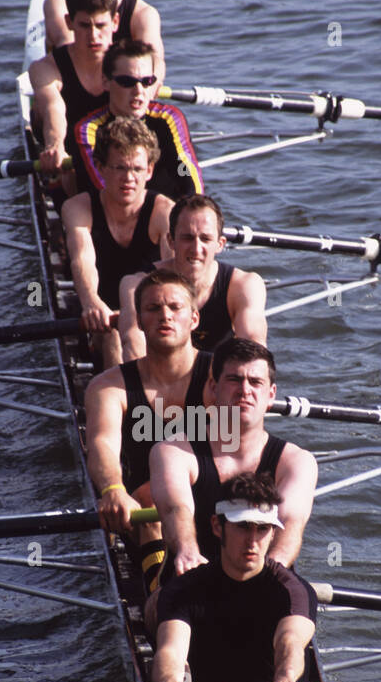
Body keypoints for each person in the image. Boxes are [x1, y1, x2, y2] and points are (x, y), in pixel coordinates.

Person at [150, 474, 317, 682]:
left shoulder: (291, 590)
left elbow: (290, 642)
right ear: (217, 526)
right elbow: (171, 650)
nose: (253, 541)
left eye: (263, 529)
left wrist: (284, 677)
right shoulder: (184, 590)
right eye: (243, 527)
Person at [149, 336, 317, 580]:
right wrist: (188, 551)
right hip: (194, 578)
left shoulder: (297, 462)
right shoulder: (172, 451)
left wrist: (273, 568)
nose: (245, 390)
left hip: (266, 580)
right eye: (234, 379)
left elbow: (290, 522)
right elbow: (176, 509)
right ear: (214, 388)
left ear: (271, 395)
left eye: (255, 382)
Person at [85, 270, 212, 584]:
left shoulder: (220, 376)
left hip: (209, 499)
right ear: (139, 322)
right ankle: (163, 589)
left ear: (194, 319)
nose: (165, 316)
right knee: (154, 493)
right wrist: (113, 490)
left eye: (175, 308)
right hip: (141, 510)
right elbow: (102, 445)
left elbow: (244, 447)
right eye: (154, 309)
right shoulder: (109, 386)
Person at [61, 117, 173, 366]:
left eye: (137, 169)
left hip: (150, 314)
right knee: (113, 336)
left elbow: (173, 274)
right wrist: (91, 301)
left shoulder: (164, 212)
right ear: (100, 168)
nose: (129, 178)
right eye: (120, 168)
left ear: (150, 171)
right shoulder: (78, 208)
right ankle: (130, 398)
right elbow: (82, 259)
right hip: (102, 316)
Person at [119, 195, 267, 360]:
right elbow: (133, 341)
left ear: (220, 244)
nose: (196, 249)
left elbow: (254, 348)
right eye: (187, 238)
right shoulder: (136, 284)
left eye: (205, 239)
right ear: (171, 241)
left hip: (216, 381)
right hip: (159, 379)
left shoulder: (244, 285)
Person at [72, 40, 200, 199]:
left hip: (168, 213)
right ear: (106, 82)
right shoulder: (88, 129)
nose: (138, 91)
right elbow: (102, 186)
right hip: (113, 214)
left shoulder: (169, 118)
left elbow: (186, 170)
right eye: (127, 82)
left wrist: (191, 206)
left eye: (147, 82)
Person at [28, 0, 117, 184]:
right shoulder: (46, 68)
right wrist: (55, 145)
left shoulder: (128, 64)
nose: (93, 35)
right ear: (69, 23)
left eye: (101, 25)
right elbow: (54, 108)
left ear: (115, 23)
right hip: (68, 157)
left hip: (114, 153)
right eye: (85, 25)